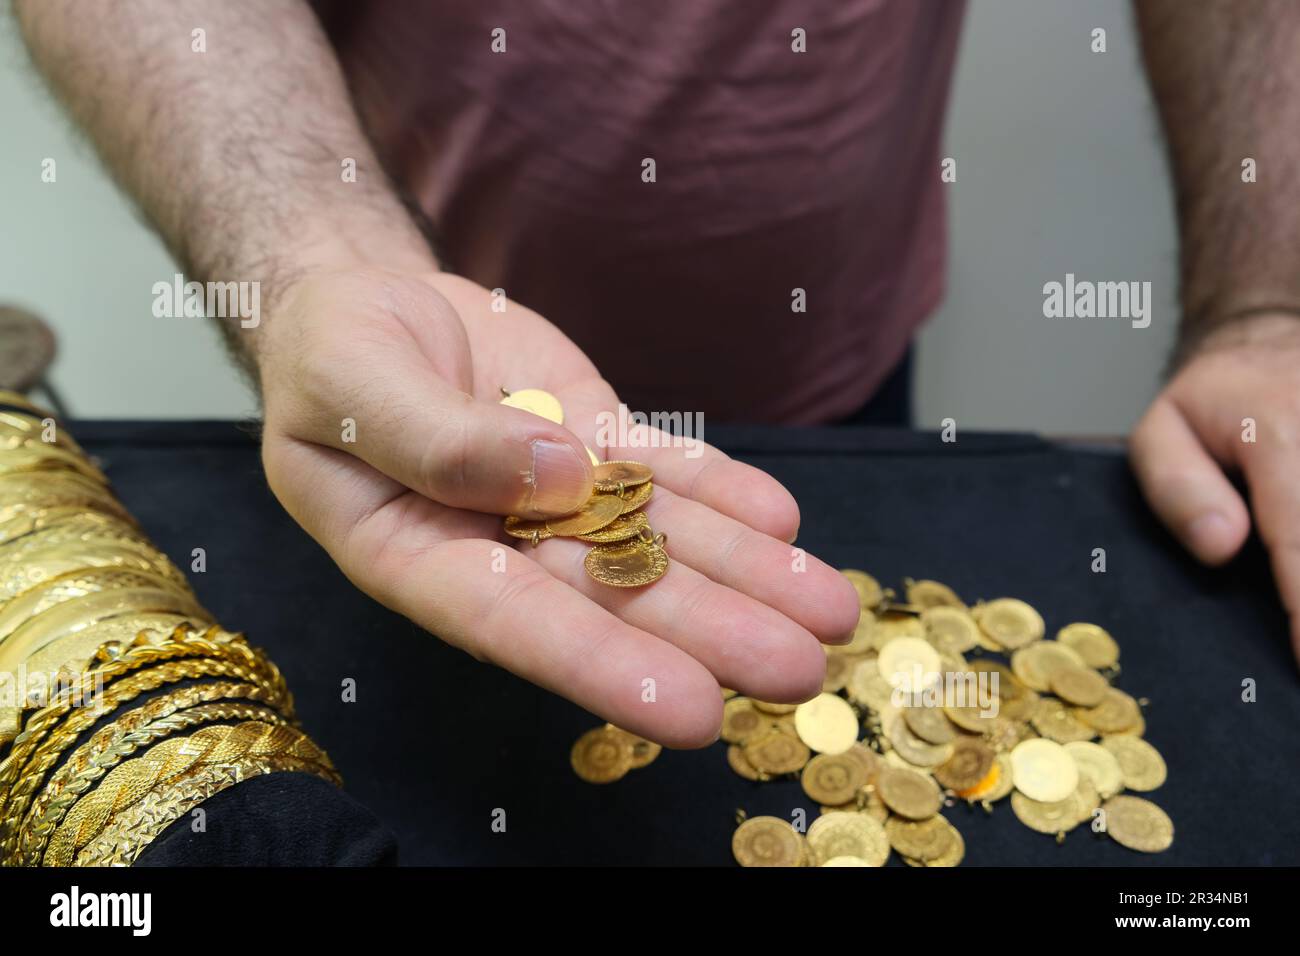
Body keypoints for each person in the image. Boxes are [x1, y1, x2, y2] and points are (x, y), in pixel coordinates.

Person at [13, 1, 1300, 748]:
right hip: (393, 422)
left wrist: (1269, 300)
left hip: (841, 350)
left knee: (773, 610)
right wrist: (321, 255)